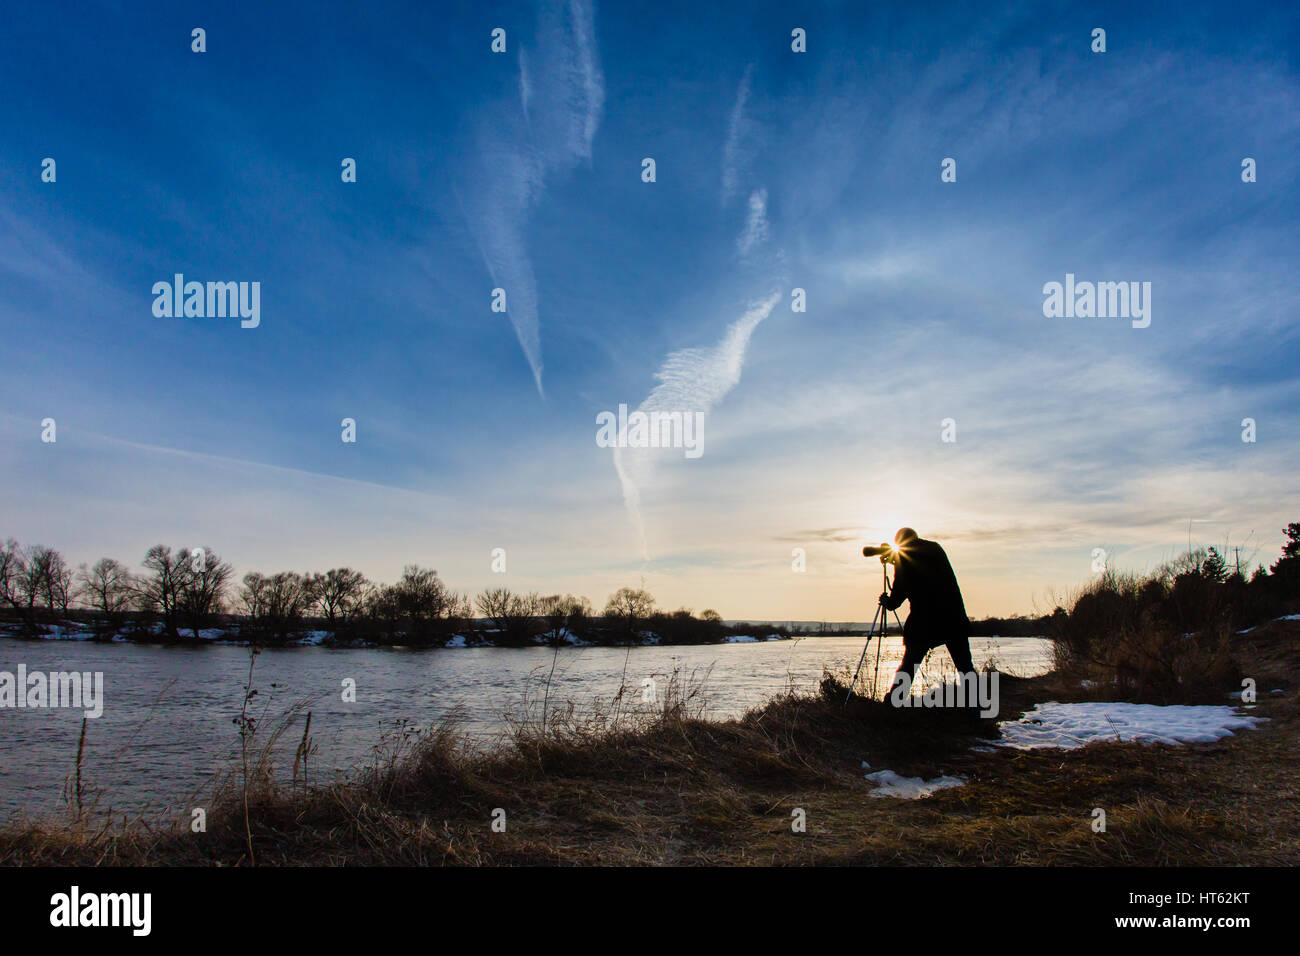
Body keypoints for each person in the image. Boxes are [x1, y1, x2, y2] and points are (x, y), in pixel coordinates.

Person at [879, 527, 974, 691]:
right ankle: (976, 705)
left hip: (924, 622)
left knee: (908, 666)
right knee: (965, 666)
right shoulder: (935, 548)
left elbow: (897, 598)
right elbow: (922, 565)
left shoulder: (903, 559)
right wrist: (896, 560)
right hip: (953, 617)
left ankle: (893, 704)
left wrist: (887, 601)